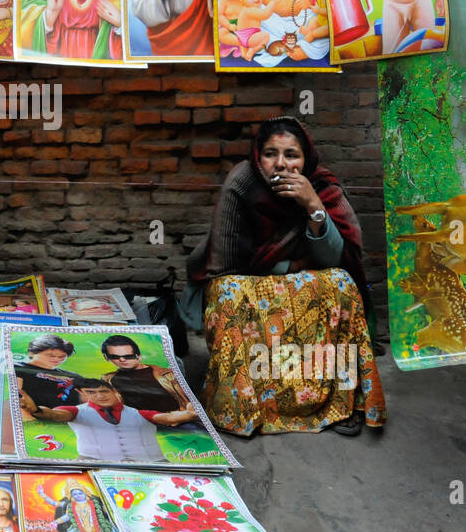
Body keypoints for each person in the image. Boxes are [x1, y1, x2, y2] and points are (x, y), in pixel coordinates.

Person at [186, 116, 387, 437]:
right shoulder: (242, 184)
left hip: (302, 282)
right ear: (257, 157)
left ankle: (343, 402)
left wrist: (312, 206)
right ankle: (243, 404)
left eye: (291, 155)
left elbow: (338, 259)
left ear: (306, 159)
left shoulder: (320, 186)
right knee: (227, 293)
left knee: (341, 285)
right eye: (270, 154)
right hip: (250, 285)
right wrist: (286, 273)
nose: (281, 164)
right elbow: (224, 267)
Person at [34, 379, 197, 462]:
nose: (100, 396)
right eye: (92, 392)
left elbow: (168, 418)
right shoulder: (76, 411)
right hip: (94, 463)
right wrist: (37, 410)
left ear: (115, 392)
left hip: (152, 463)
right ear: (83, 393)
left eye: (104, 391)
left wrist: (188, 414)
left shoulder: (137, 413)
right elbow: (55, 415)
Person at [99, 335, 190, 413]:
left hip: (176, 422)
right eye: (115, 357)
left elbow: (186, 401)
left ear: (139, 356)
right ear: (107, 357)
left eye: (128, 356)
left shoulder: (167, 374)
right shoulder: (108, 379)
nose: (122, 360)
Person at [14, 334, 83, 414]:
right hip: (37, 418)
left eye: (62, 357)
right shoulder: (17, 368)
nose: (56, 359)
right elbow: (15, 399)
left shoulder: (75, 376)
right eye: (51, 355)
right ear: (31, 353)